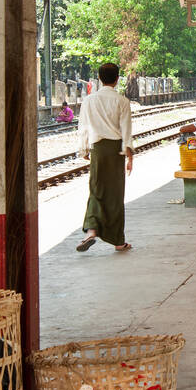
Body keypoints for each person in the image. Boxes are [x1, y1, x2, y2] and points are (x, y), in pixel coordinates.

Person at [76, 62, 134, 253]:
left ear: (99, 78)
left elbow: (83, 127)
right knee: (116, 195)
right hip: (116, 151)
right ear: (117, 79)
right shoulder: (122, 101)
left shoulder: (89, 101)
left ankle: (91, 231)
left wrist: (83, 150)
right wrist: (129, 155)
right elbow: (126, 130)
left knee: (96, 190)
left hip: (98, 149)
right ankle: (118, 240)